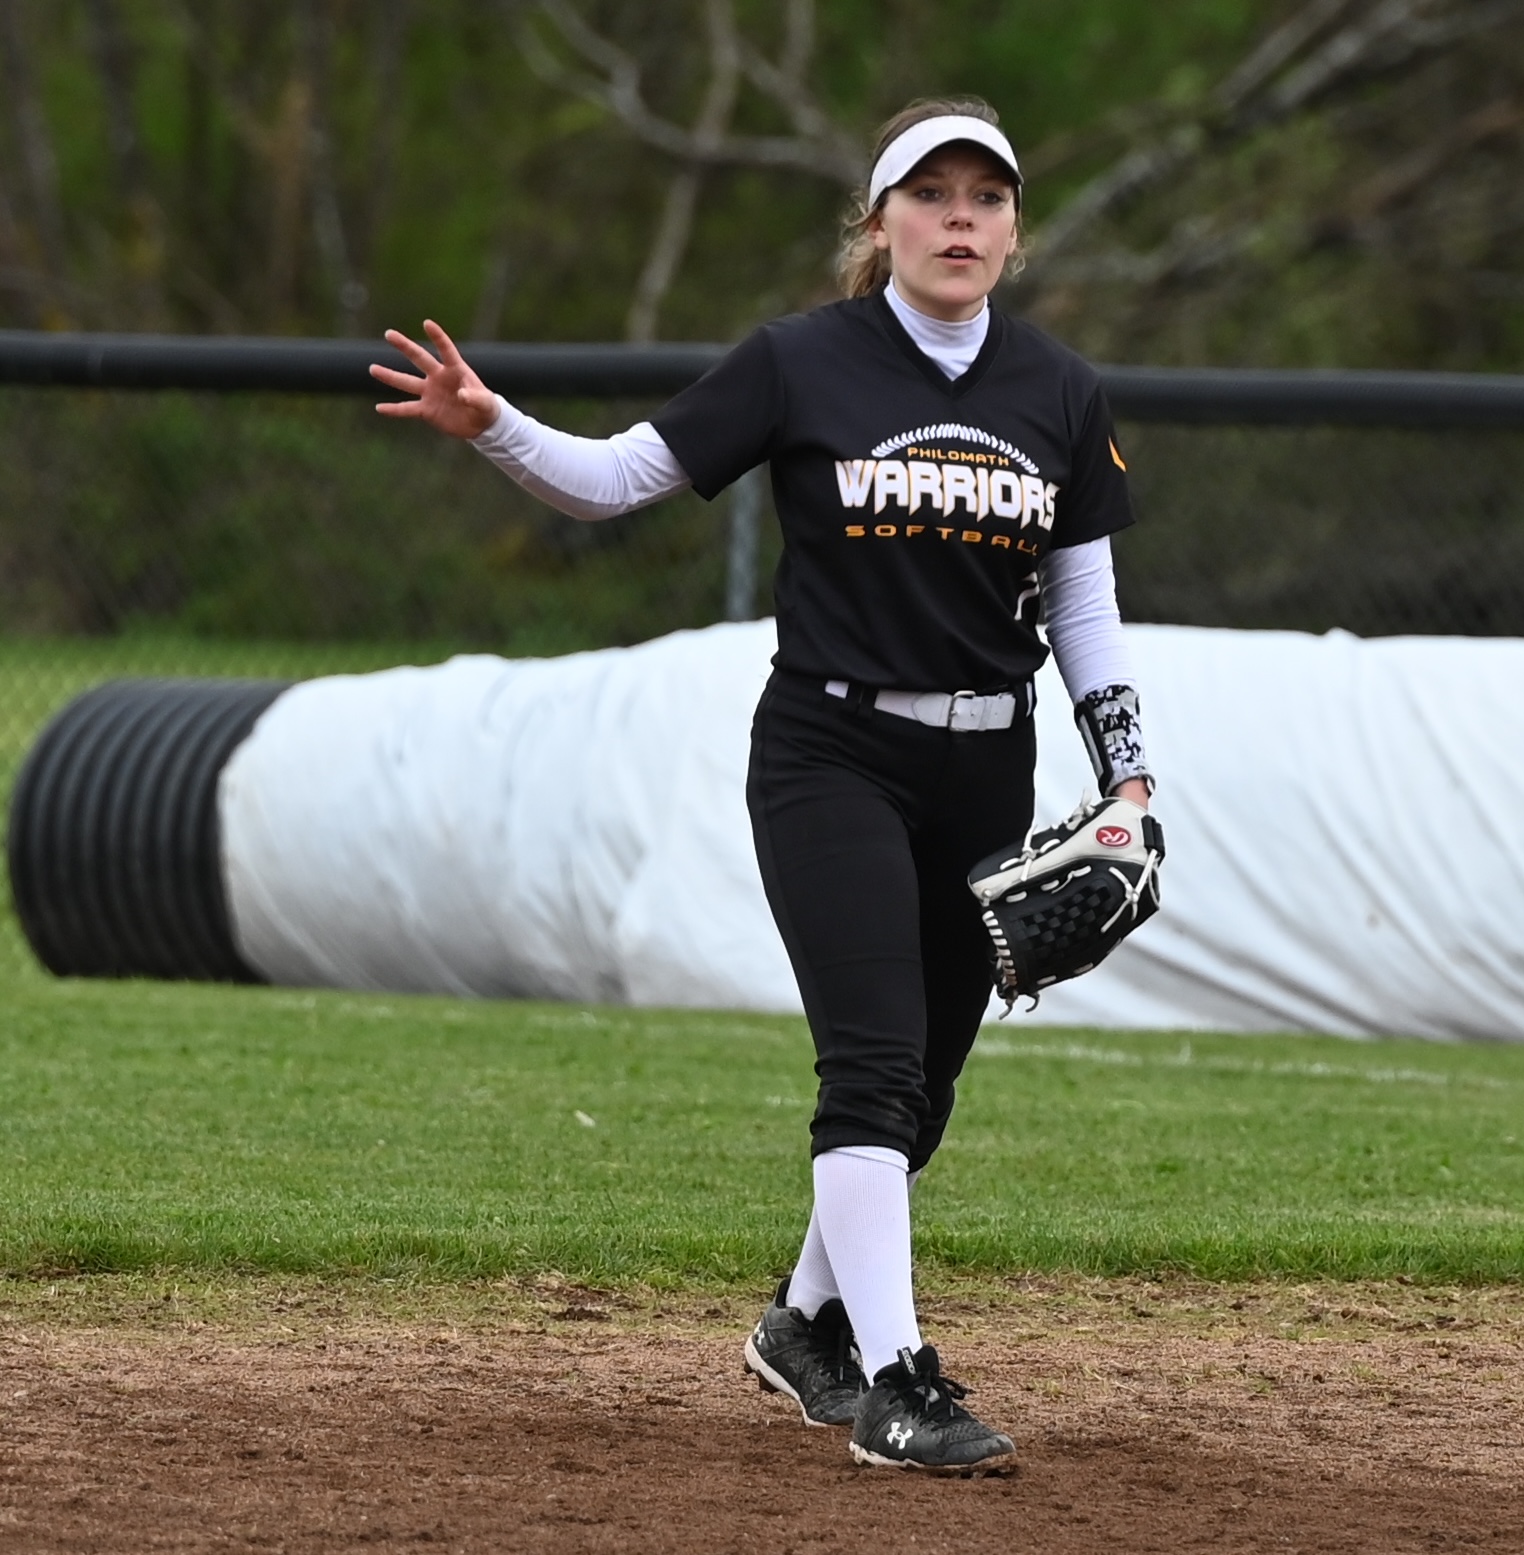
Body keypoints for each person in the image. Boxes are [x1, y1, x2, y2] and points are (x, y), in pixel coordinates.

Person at [371, 97, 1154, 1476]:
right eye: (932, 195)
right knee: (869, 1062)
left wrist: (1129, 775)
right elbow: (618, 481)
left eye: (987, 197)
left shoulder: (1060, 393)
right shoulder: (803, 363)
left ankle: (804, 1326)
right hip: (831, 753)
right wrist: (496, 425)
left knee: (929, 1084)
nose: (960, 218)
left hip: (988, 759)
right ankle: (900, 1380)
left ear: (1015, 230)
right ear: (880, 222)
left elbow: (1081, 607)